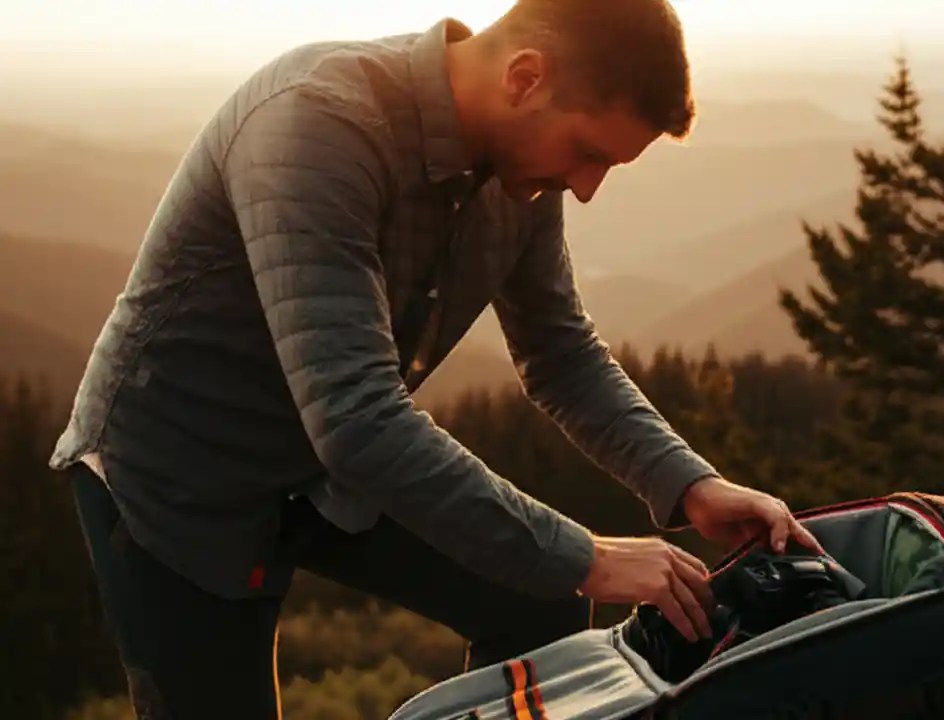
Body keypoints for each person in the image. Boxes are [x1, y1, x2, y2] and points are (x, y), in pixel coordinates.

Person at [51, 0, 822, 716]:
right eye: (589, 153)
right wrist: (590, 554)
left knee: (538, 600)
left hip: (327, 470)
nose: (585, 189)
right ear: (526, 77)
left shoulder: (521, 178)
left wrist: (691, 486)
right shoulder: (316, 123)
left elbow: (559, 353)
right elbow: (356, 418)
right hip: (177, 478)